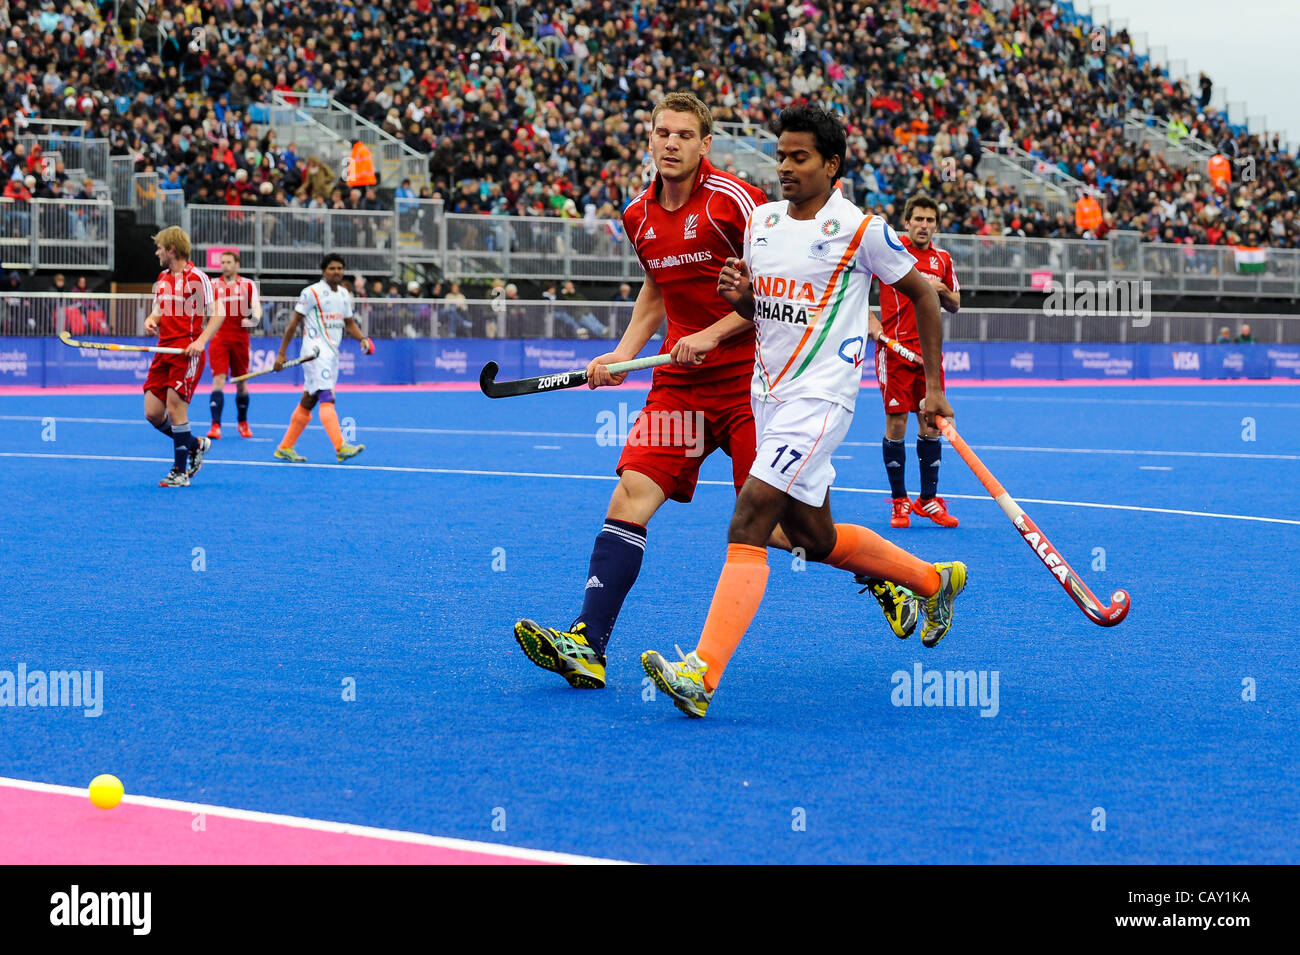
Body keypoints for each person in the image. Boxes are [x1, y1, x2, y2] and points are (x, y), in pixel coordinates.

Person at [513, 93, 917, 693]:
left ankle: (886, 574)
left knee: (784, 529)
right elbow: (658, 287)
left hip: (751, 382)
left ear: (706, 145)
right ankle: (587, 643)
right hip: (678, 386)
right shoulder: (637, 215)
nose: (670, 143)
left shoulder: (737, 202)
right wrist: (626, 353)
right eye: (661, 133)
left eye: (684, 134)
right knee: (631, 492)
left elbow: (779, 283)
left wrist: (713, 333)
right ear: (650, 140)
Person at [641, 105, 966, 718]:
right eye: (781, 156)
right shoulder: (761, 221)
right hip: (768, 395)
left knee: (750, 518)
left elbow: (923, 295)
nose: (785, 168)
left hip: (821, 401)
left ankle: (700, 676)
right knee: (814, 540)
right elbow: (761, 305)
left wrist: (933, 386)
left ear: (831, 165)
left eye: (799, 158)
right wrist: (738, 302)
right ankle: (932, 581)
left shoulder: (861, 228)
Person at [872, 193, 962, 528]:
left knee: (930, 425)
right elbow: (851, 285)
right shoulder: (890, 252)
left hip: (929, 356)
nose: (924, 225)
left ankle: (928, 500)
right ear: (907, 222)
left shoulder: (943, 259)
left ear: (936, 226)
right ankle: (899, 502)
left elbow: (955, 303)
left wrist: (939, 290)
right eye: (918, 219)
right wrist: (869, 319)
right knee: (897, 425)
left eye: (930, 220)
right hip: (894, 352)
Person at [141, 226, 224, 488]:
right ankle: (195, 445)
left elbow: (218, 313)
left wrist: (200, 341)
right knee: (153, 413)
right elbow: (158, 309)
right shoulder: (162, 278)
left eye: (160, 248)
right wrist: (152, 319)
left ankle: (179, 471)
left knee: (176, 409)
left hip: (186, 351)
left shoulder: (198, 278)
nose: (157, 253)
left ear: (171, 250)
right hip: (164, 349)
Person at [271, 253, 373, 463]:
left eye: (339, 268)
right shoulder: (311, 293)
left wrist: (362, 339)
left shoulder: (344, 294)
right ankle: (340, 446)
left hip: (331, 353)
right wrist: (282, 353)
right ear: (323, 271)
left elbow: (350, 323)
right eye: (332, 268)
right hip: (314, 353)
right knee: (327, 396)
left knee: (309, 400)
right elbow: (293, 323)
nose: (336, 272)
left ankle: (285, 447)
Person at [206, 250, 262, 439]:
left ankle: (243, 423)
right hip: (219, 338)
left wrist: (253, 320)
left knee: (241, 383)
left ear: (237, 264)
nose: (225, 265)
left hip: (240, 338)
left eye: (229, 262)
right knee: (218, 380)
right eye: (222, 262)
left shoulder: (248, 284)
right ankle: (215, 426)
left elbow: (256, 310)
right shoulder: (212, 284)